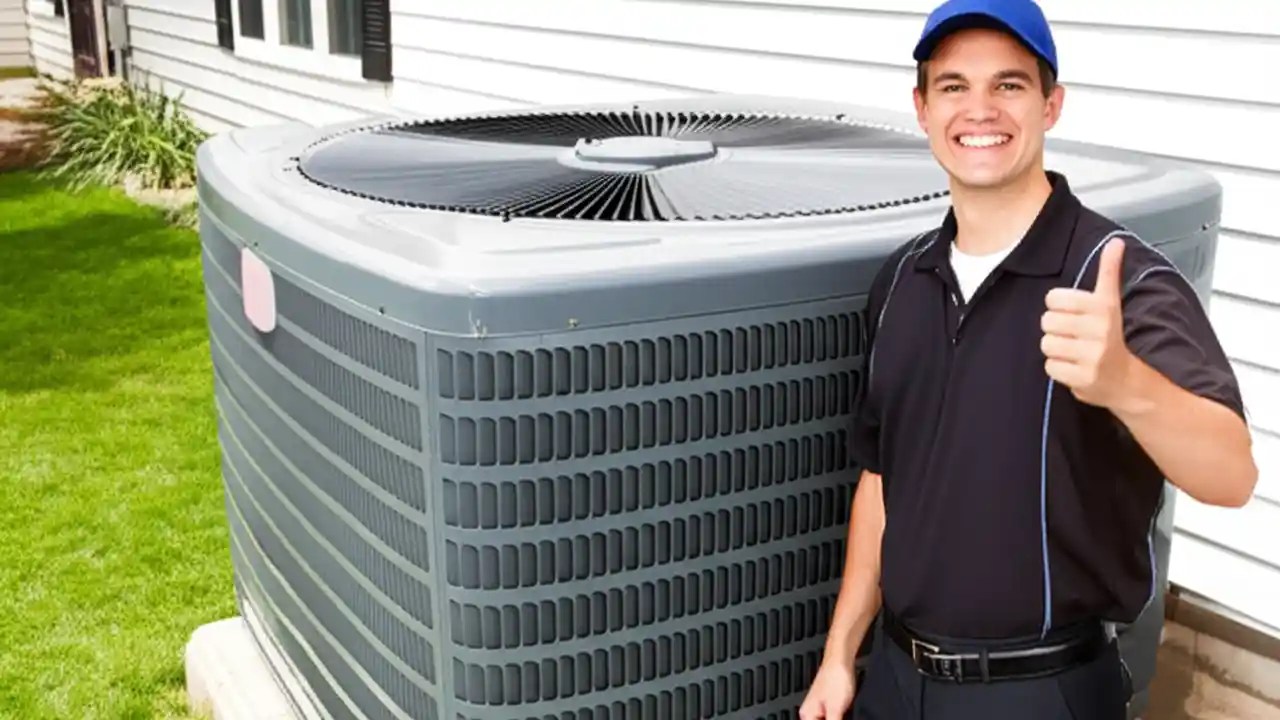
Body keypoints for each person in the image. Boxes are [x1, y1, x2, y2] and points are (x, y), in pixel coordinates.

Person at [798, 0, 1259, 718]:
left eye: (1009, 85)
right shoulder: (902, 282)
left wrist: (1124, 383)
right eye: (954, 86)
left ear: (1052, 105)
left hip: (1040, 691)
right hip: (894, 678)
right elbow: (884, 482)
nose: (979, 110)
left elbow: (1232, 475)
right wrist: (839, 654)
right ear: (922, 109)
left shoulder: (1119, 279)